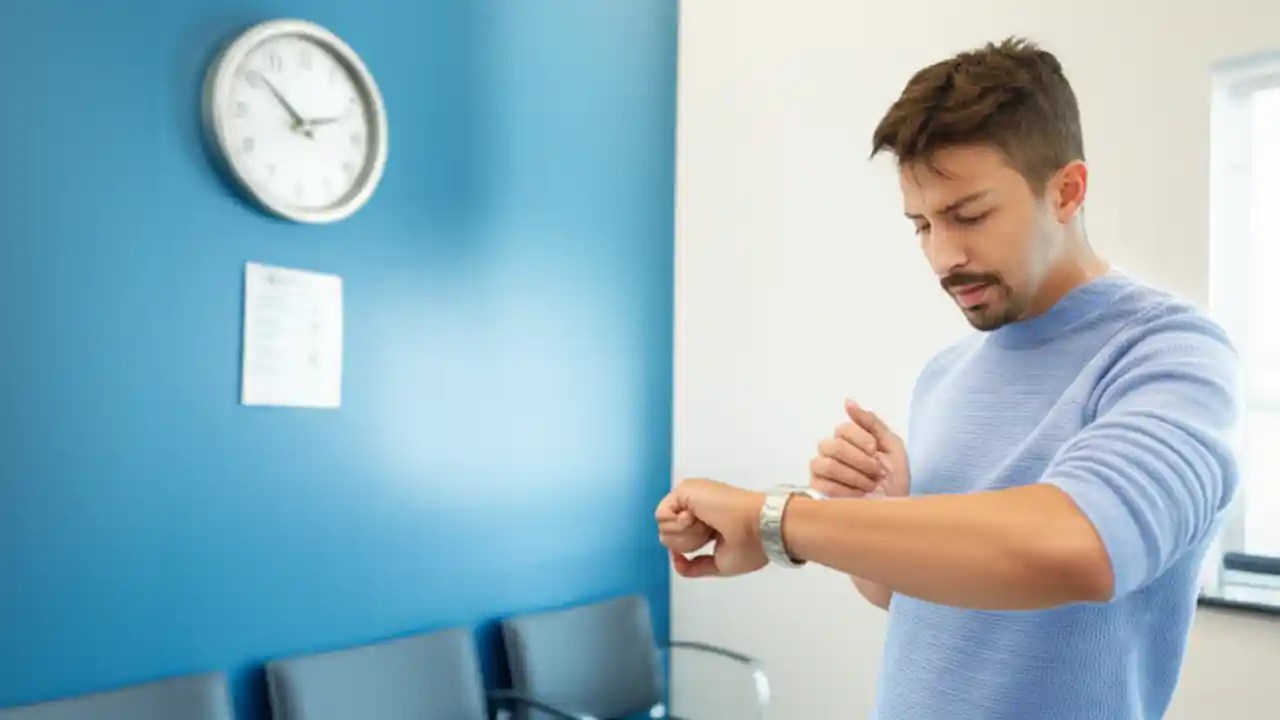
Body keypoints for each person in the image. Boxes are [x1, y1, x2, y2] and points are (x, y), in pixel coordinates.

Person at [655, 37, 1241, 720]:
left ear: (1067, 191)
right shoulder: (946, 374)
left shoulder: (1172, 352)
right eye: (921, 225)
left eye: (969, 216)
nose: (943, 256)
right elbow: (903, 597)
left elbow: (1077, 548)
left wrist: (780, 521)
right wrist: (881, 515)